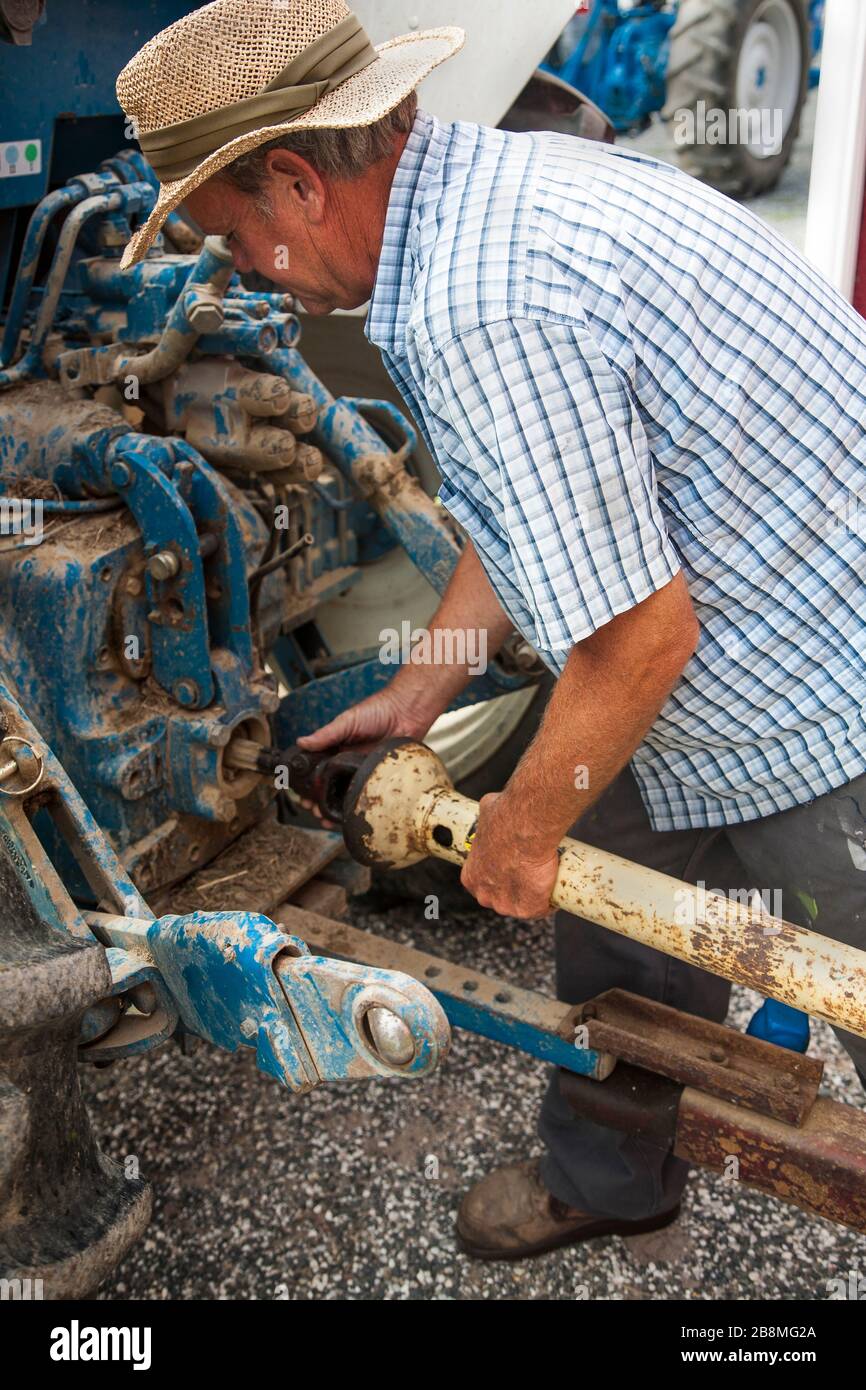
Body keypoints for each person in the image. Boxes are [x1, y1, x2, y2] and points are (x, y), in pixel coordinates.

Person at [118, 0, 866, 1260]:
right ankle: (610, 1172)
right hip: (704, 651)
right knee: (615, 925)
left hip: (816, 686)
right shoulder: (484, 197)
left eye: (228, 230)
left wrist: (521, 824)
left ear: (298, 183)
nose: (233, 267)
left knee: (827, 963)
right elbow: (529, 511)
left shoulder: (479, 305)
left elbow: (636, 640)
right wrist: (424, 691)